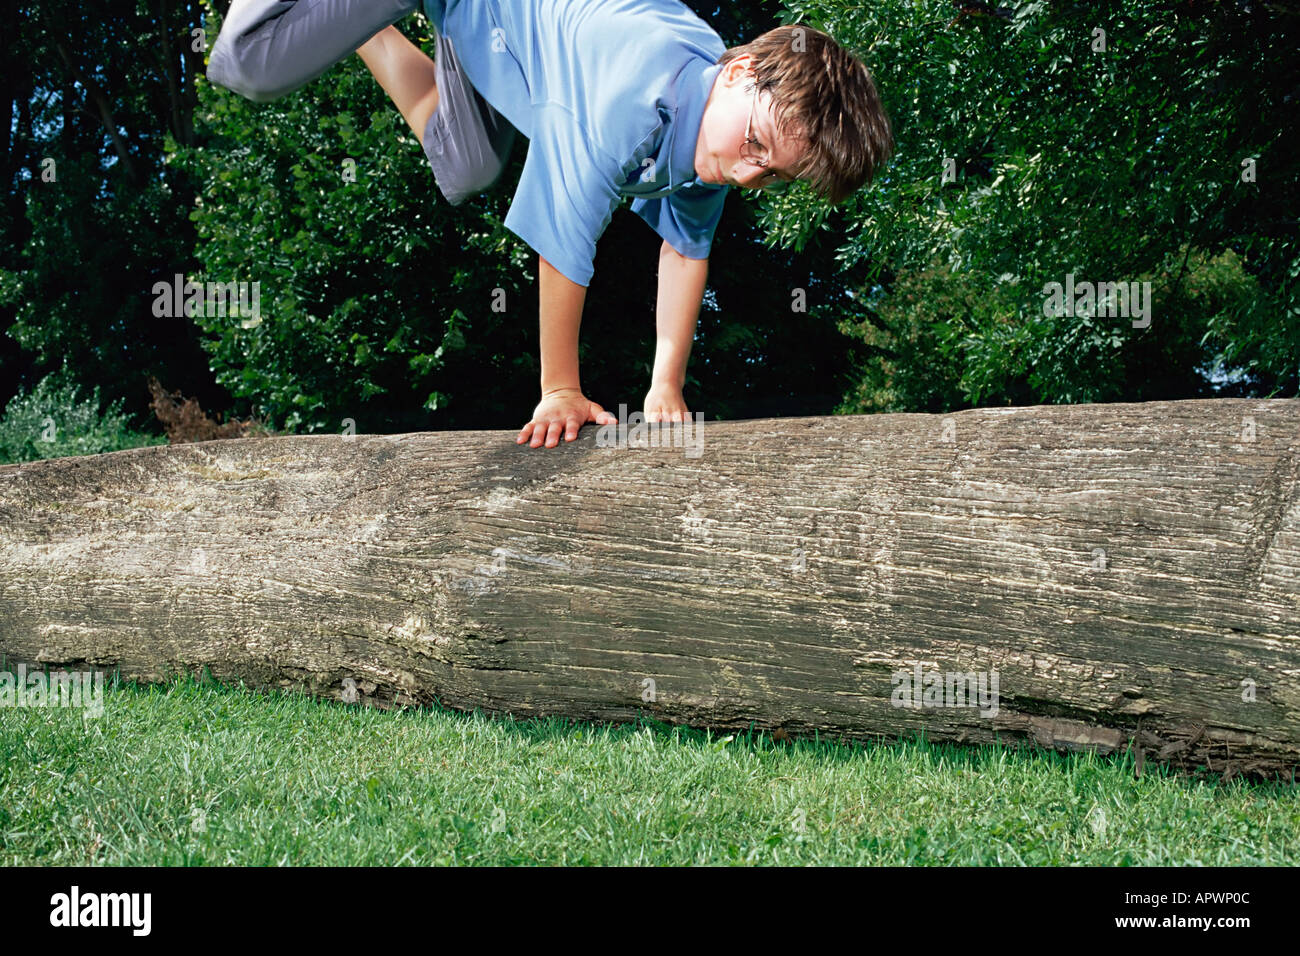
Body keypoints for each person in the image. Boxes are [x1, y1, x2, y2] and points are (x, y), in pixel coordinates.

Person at [206, 0, 893, 449]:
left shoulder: (713, 127)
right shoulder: (629, 97)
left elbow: (685, 251)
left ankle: (367, 22)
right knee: (250, 66)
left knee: (468, 166)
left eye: (772, 175)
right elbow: (562, 247)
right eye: (754, 146)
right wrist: (560, 389)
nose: (746, 175)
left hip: (490, 26)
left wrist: (666, 385)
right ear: (740, 71)